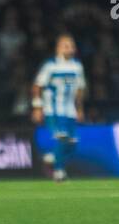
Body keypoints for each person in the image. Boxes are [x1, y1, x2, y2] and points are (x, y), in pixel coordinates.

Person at [31, 33, 85, 183]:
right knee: (62, 139)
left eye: (72, 46)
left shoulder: (77, 66)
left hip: (69, 110)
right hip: (53, 109)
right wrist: (37, 107)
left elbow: (80, 89)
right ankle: (58, 172)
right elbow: (37, 86)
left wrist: (79, 109)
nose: (70, 48)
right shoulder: (51, 65)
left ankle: (52, 158)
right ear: (58, 48)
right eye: (66, 46)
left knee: (73, 144)